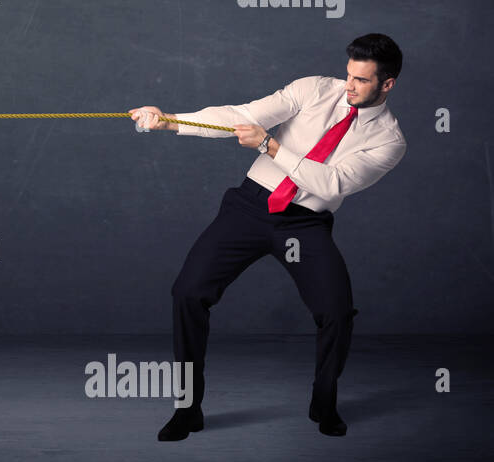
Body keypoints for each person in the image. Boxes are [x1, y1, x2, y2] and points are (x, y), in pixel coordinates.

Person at [129, 34, 406, 440]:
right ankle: (188, 410)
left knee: (337, 313)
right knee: (187, 293)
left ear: (387, 84)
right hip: (249, 208)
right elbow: (241, 115)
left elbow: (331, 183)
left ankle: (324, 403)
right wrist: (171, 119)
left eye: (361, 81)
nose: (348, 86)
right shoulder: (313, 89)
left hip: (304, 224)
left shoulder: (388, 141)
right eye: (348, 75)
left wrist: (272, 147)